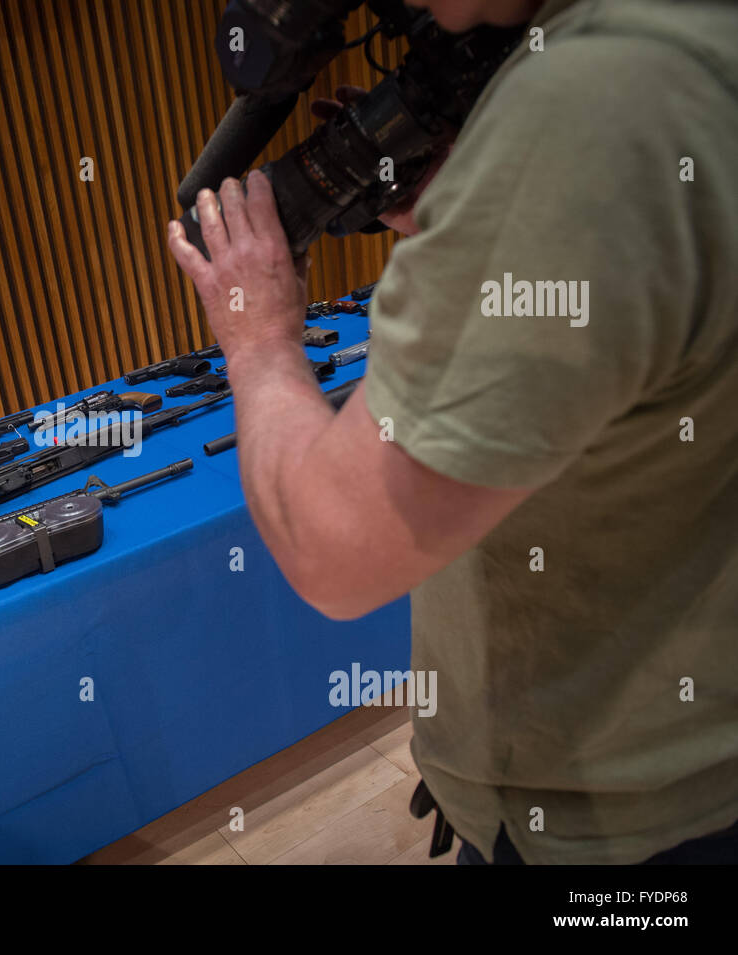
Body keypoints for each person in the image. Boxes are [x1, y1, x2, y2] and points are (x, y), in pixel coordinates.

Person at [167, 0, 738, 864]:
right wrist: (479, 226)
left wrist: (259, 340)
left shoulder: (587, 106)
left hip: (606, 824)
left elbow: (336, 549)